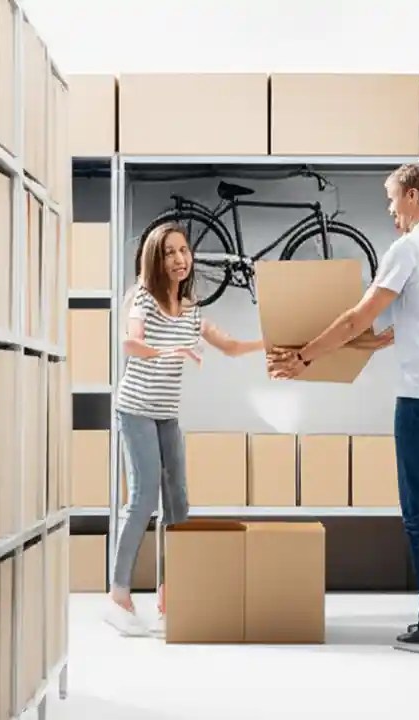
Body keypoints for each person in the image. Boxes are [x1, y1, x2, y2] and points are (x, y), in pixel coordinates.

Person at [268, 163, 419, 654]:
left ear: (413, 196)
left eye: (392, 199)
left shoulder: (409, 248)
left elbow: (358, 319)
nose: (391, 210)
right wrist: (328, 355)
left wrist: (305, 355)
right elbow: (388, 334)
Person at [107, 221, 268, 636]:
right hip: (136, 409)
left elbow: (230, 346)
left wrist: (272, 342)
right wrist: (170, 350)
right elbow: (131, 342)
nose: (180, 259)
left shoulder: (193, 310)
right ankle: (118, 594)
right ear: (156, 261)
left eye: (184, 251)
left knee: (177, 503)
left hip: (166, 413)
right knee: (144, 497)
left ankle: (171, 591)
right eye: (170, 253)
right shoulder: (142, 299)